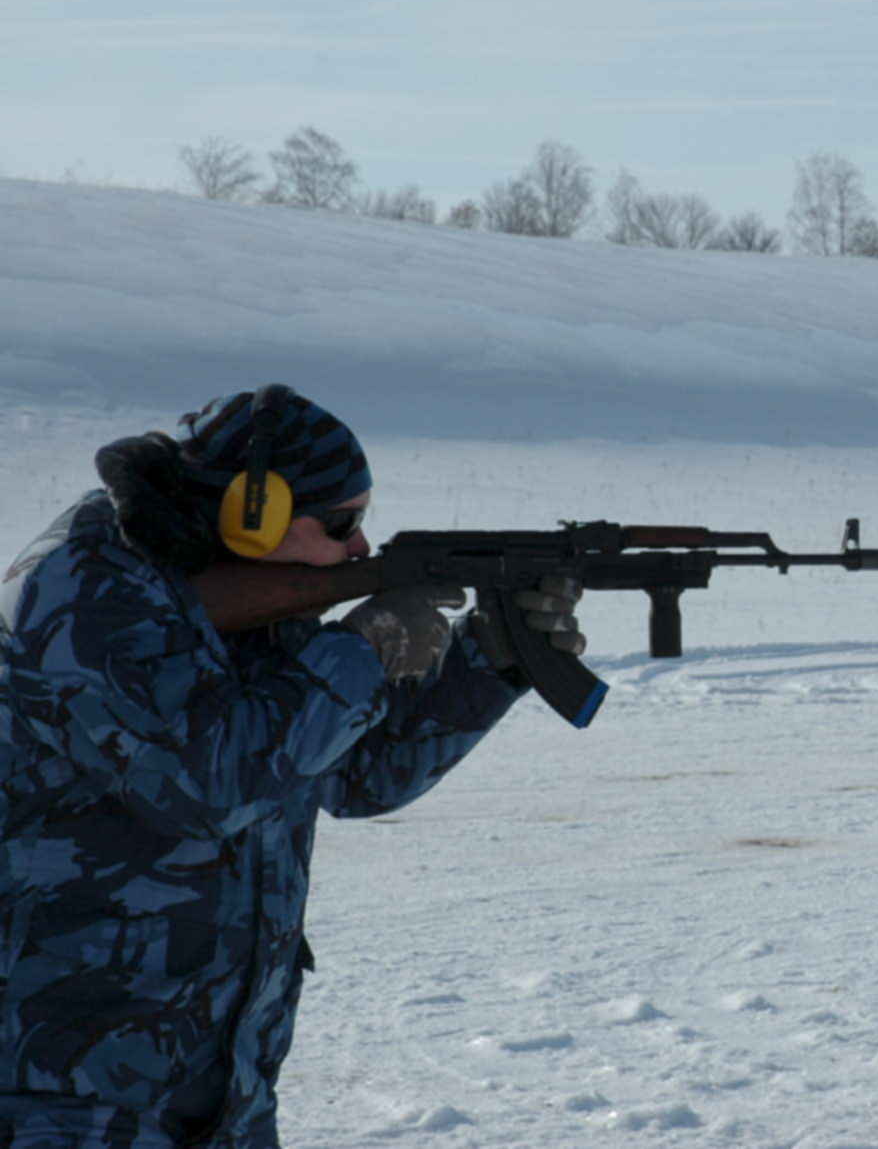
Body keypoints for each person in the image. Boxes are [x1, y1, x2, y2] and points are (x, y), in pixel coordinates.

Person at [0, 385, 584, 1148]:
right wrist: (363, 647)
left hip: (221, 1091)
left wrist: (490, 661)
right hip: (61, 1095)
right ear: (254, 515)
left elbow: (351, 774)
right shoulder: (82, 594)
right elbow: (211, 785)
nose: (360, 550)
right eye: (341, 524)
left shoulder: (242, 589)